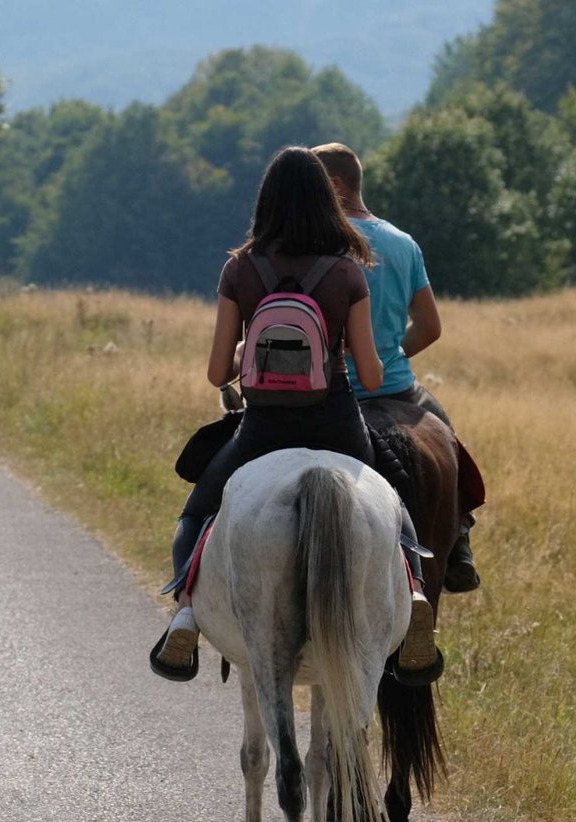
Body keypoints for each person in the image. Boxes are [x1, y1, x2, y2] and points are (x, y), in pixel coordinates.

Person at [152, 146, 437, 682]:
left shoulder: (239, 270)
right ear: (324, 201)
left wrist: (247, 356)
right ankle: (416, 596)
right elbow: (372, 380)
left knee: (196, 512)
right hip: (337, 424)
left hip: (263, 430)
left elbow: (218, 374)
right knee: (396, 504)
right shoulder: (348, 273)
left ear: (267, 202)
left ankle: (185, 614)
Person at [313, 142, 479, 593]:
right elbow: (429, 327)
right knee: (444, 434)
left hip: (330, 392)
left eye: (314, 186)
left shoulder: (317, 243)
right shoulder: (404, 243)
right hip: (397, 389)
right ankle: (459, 541)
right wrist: (390, 356)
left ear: (335, 186)